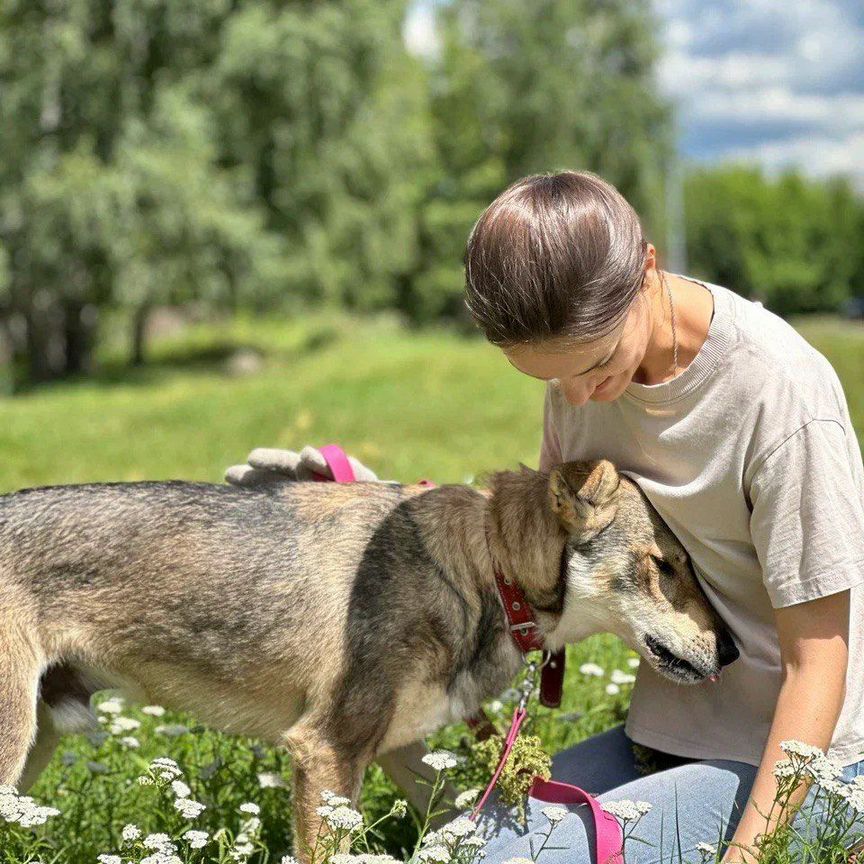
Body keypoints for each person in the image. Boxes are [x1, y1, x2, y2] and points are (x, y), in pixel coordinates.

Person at [226, 170, 864, 862]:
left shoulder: (781, 398)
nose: (577, 397)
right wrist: (377, 515)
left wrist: (749, 857)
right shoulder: (579, 390)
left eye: (594, 364)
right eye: (548, 379)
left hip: (816, 768)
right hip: (662, 737)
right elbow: (536, 572)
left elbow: (818, 665)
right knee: (461, 849)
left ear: (647, 271)